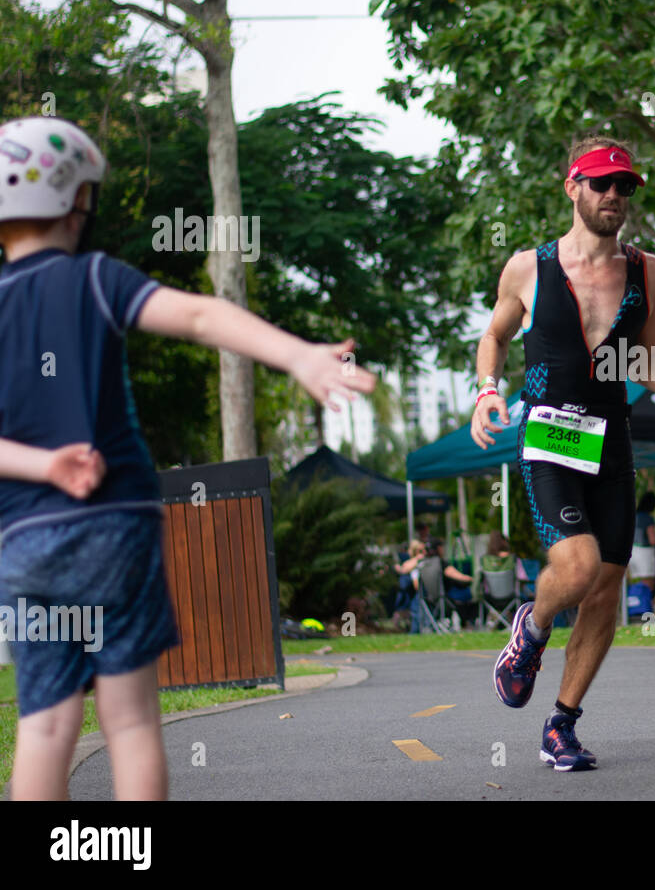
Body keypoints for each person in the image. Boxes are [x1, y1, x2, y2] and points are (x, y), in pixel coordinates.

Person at [0, 115, 376, 800]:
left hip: (24, 542)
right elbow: (201, 317)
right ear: (78, 200)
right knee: (131, 718)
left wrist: (44, 467)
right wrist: (297, 354)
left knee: (45, 727)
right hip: (113, 522)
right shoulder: (93, 280)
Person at [470, 133, 655, 771]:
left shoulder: (649, 272)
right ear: (573, 187)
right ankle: (530, 630)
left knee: (605, 590)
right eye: (601, 183)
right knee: (581, 566)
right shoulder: (528, 268)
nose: (614, 194)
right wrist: (486, 390)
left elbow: (638, 356)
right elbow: (495, 334)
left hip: (612, 439)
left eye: (625, 187)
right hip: (550, 439)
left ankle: (561, 724)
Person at [629, 491, 655, 589]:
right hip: (646, 553)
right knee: (648, 584)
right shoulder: (648, 518)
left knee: (635, 584)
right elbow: (653, 540)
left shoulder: (634, 516)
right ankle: (645, 603)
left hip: (633, 552)